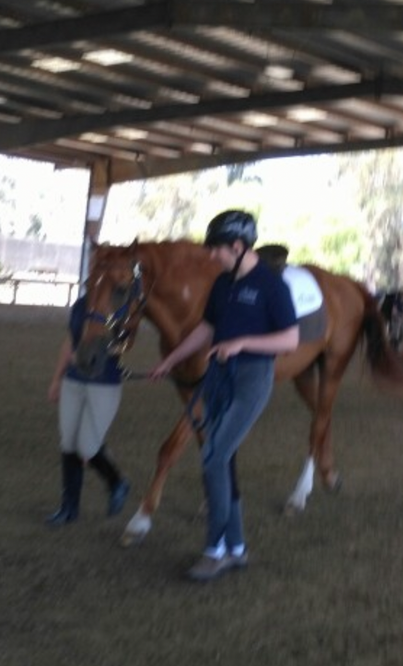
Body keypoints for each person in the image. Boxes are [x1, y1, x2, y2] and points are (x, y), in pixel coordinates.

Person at [149, 210, 300, 582]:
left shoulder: (271, 286)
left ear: (238, 246)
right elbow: (207, 328)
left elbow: (291, 339)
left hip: (252, 378)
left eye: (217, 250)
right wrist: (172, 359)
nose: (212, 256)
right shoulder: (222, 284)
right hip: (219, 378)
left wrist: (244, 342)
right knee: (223, 460)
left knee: (213, 457)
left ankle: (213, 550)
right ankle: (236, 548)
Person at [46, 294, 130, 526]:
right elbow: (69, 342)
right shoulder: (81, 304)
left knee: (87, 446)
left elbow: (124, 344)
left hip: (103, 384)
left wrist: (92, 352)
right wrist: (57, 378)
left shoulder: (121, 306)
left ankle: (116, 481)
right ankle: (68, 508)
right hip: (73, 381)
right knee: (68, 444)